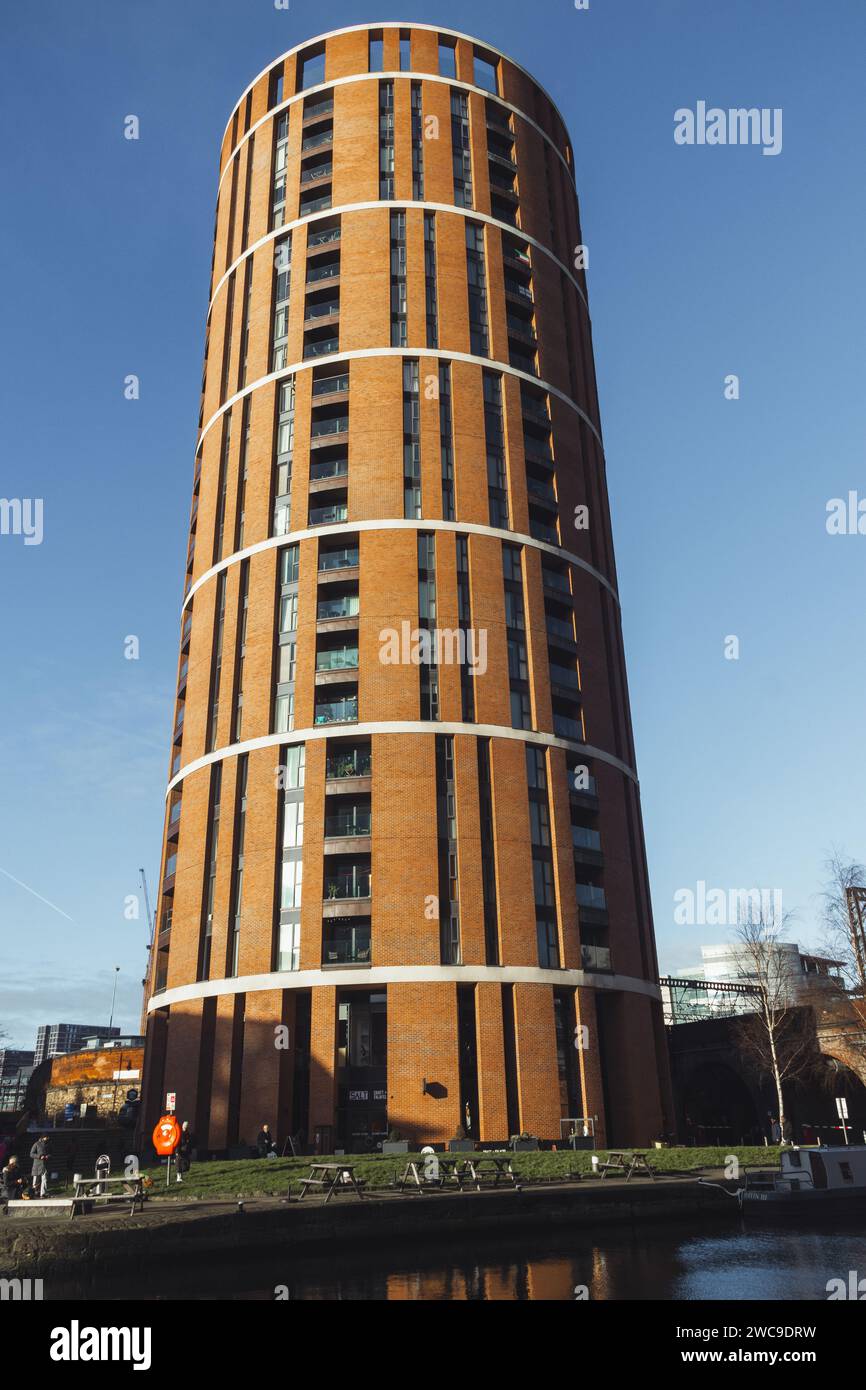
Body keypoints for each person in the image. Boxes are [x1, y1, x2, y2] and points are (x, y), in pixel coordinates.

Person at [176, 1120, 193, 1184]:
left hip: (186, 1151)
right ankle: (179, 1178)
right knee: (179, 1164)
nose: (186, 1126)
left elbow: (189, 1142)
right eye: (185, 1125)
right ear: (183, 1126)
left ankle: (180, 1176)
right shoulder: (180, 1133)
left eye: (187, 1125)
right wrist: (177, 1152)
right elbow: (178, 1143)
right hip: (180, 1150)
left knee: (186, 1166)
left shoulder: (187, 1133)